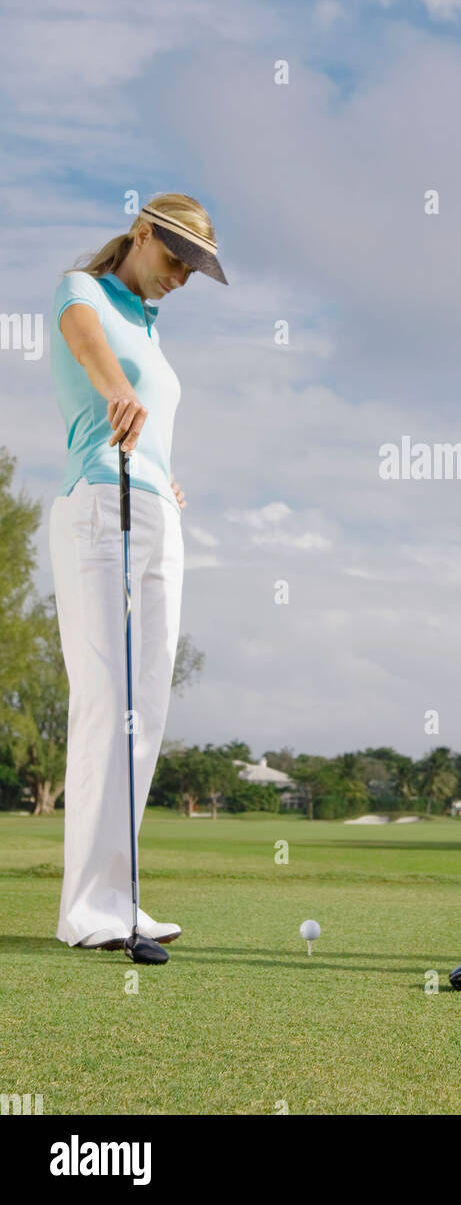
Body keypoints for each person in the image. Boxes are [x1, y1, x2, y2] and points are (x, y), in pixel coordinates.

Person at [49, 195, 228, 950]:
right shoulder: (83, 290)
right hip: (97, 506)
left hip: (154, 510)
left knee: (145, 704)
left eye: (196, 269)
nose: (184, 278)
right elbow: (85, 342)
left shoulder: (152, 326)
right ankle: (83, 910)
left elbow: (146, 421)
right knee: (105, 696)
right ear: (143, 232)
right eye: (176, 258)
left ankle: (118, 897)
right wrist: (115, 388)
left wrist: (164, 476)